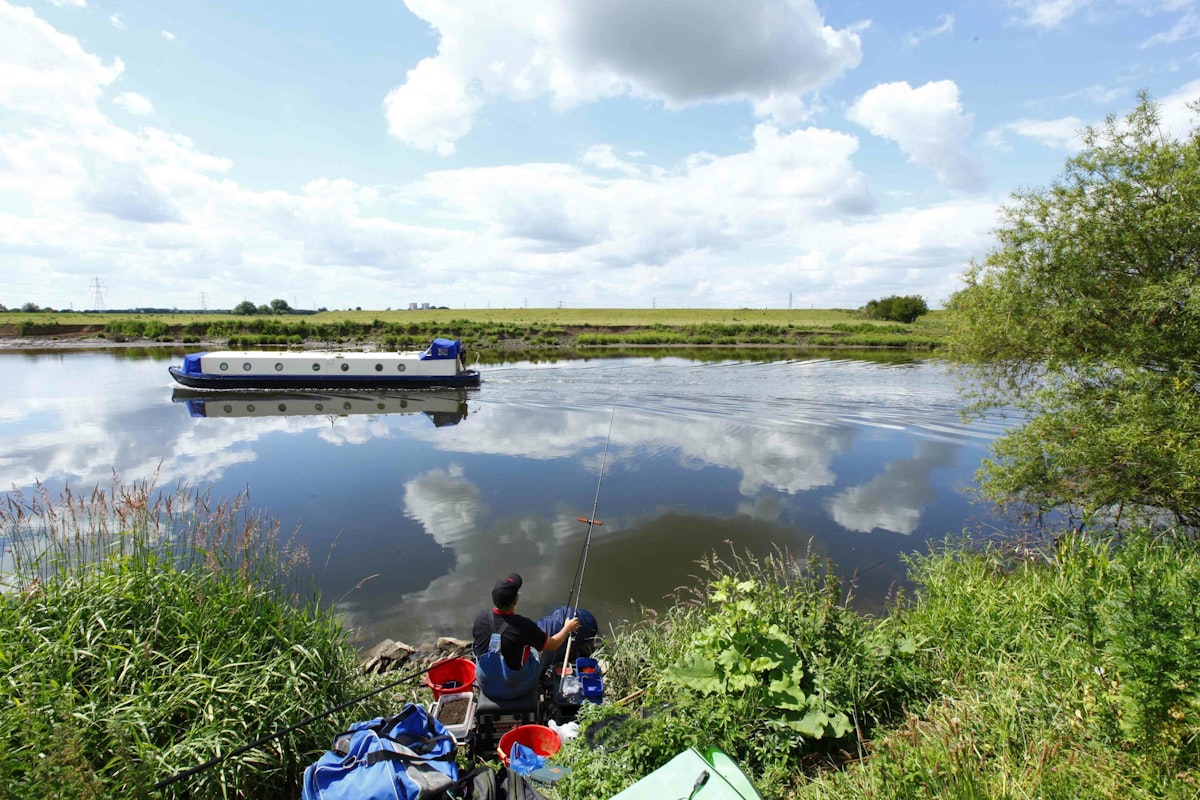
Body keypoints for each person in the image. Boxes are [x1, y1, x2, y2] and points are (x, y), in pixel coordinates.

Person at [471, 573, 579, 700]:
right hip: (518, 688)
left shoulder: (480, 619)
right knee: (541, 650)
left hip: (487, 685)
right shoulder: (523, 626)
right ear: (516, 600)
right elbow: (553, 644)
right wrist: (567, 628)